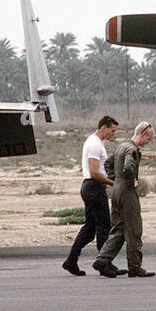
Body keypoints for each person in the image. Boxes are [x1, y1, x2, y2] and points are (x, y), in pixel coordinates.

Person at [93, 121, 155, 278]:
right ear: (143, 135)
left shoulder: (122, 146)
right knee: (134, 228)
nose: (148, 142)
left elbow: (108, 163)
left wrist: (116, 179)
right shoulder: (132, 150)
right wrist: (131, 179)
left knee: (119, 228)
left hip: (116, 190)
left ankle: (103, 259)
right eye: (149, 139)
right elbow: (128, 167)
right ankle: (135, 266)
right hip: (127, 192)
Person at [62, 115, 118, 276]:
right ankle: (104, 262)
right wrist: (112, 183)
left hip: (90, 187)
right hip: (93, 187)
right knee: (104, 226)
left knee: (90, 228)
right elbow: (94, 172)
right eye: (112, 130)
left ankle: (71, 261)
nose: (113, 134)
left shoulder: (95, 142)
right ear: (103, 128)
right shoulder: (94, 144)